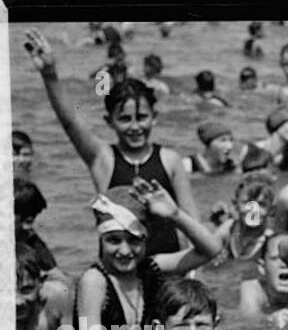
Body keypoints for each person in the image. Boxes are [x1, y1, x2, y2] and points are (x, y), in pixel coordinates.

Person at [24, 28, 200, 256]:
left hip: (168, 267)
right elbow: (70, 122)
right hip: (119, 270)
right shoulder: (103, 158)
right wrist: (50, 75)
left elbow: (193, 223)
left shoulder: (170, 160)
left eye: (142, 117)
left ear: (154, 118)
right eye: (125, 119)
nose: (135, 127)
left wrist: (194, 272)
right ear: (110, 121)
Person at [69, 182, 222, 330]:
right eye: (114, 240)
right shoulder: (95, 281)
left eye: (134, 240)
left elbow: (210, 250)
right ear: (101, 240)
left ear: (145, 239)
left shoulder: (151, 269)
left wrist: (175, 214)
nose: (124, 251)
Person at [185, 121, 273, 175]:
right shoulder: (189, 164)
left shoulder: (230, 166)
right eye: (223, 141)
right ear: (209, 144)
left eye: (231, 140)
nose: (229, 146)